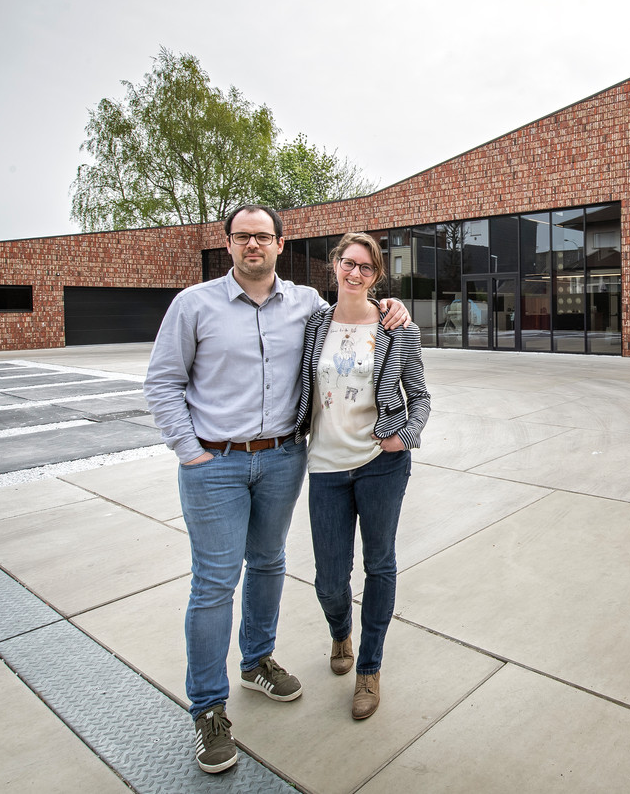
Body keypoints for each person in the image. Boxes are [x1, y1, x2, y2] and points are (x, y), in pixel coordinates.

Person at [144, 206, 410, 774]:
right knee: (214, 581)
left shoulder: (306, 307)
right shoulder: (193, 305)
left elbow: (357, 315)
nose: (253, 245)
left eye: (263, 236)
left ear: (281, 244)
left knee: (268, 564)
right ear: (229, 244)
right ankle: (209, 709)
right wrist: (189, 450)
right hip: (214, 462)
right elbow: (163, 381)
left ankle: (258, 660)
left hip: (285, 457)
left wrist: (393, 307)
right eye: (243, 236)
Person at [293, 231, 430, 720]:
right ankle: (339, 632)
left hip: (381, 465)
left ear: (377, 276)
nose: (355, 273)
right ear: (335, 266)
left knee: (380, 565)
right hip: (326, 467)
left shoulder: (399, 330)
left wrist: (404, 436)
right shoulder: (312, 324)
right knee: (330, 580)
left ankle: (369, 669)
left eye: (366, 268)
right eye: (348, 263)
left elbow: (422, 398)